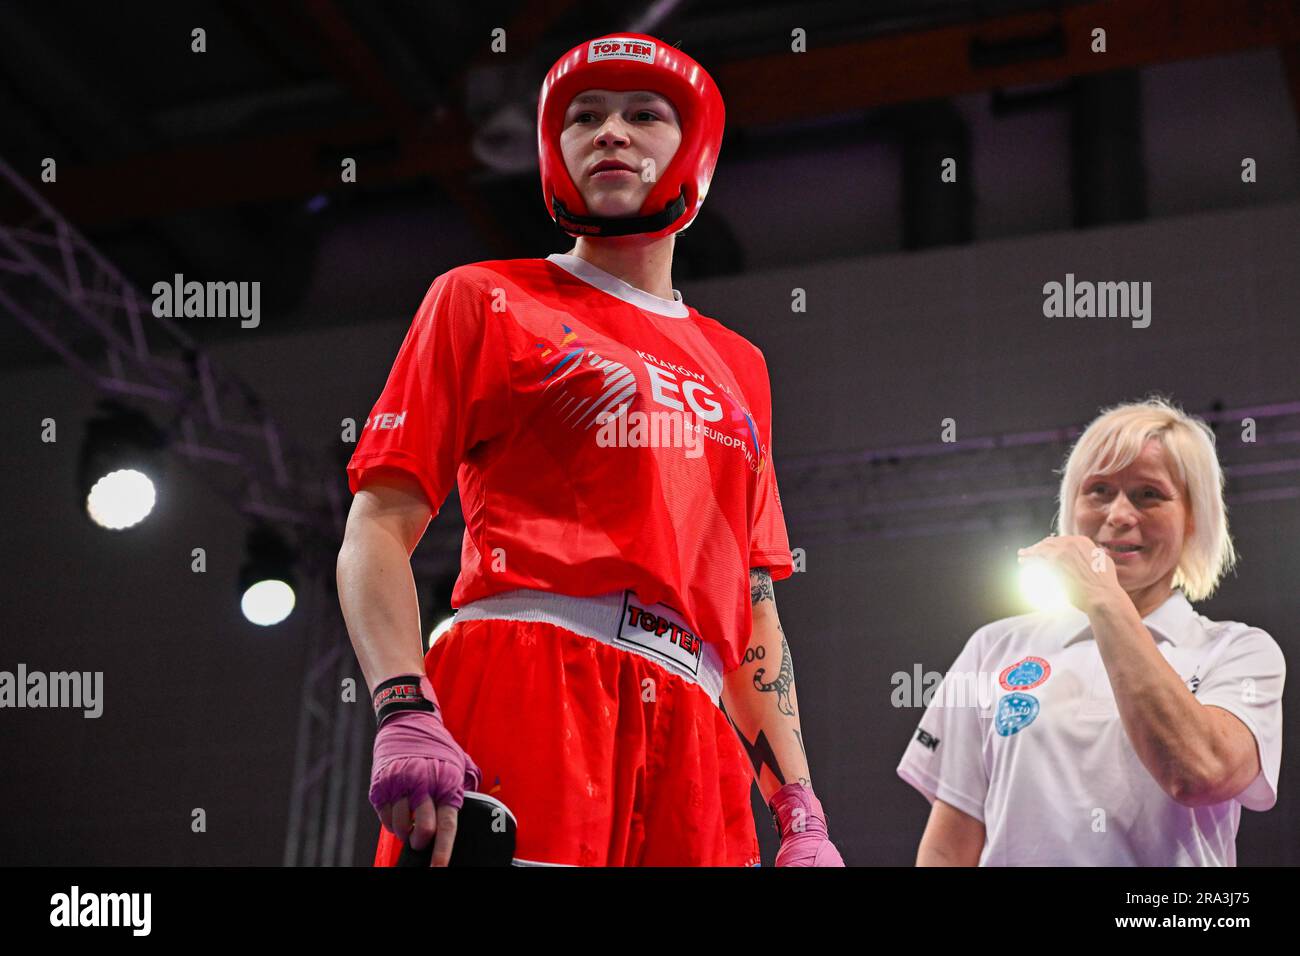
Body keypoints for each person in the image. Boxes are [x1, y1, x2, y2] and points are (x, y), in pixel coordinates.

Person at [337, 33, 844, 866]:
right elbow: (378, 525)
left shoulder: (742, 366)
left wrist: (799, 807)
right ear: (553, 149)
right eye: (584, 117)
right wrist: (402, 704)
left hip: (695, 721)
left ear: (696, 149)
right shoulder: (483, 297)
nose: (611, 132)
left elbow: (751, 604)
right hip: (526, 674)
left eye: (645, 114)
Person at [896, 397, 1285, 865]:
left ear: (1193, 519)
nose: (1119, 515)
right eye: (1099, 490)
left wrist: (1104, 600)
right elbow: (950, 845)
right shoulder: (995, 647)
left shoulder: (1238, 652)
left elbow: (1200, 774)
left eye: (1148, 494)